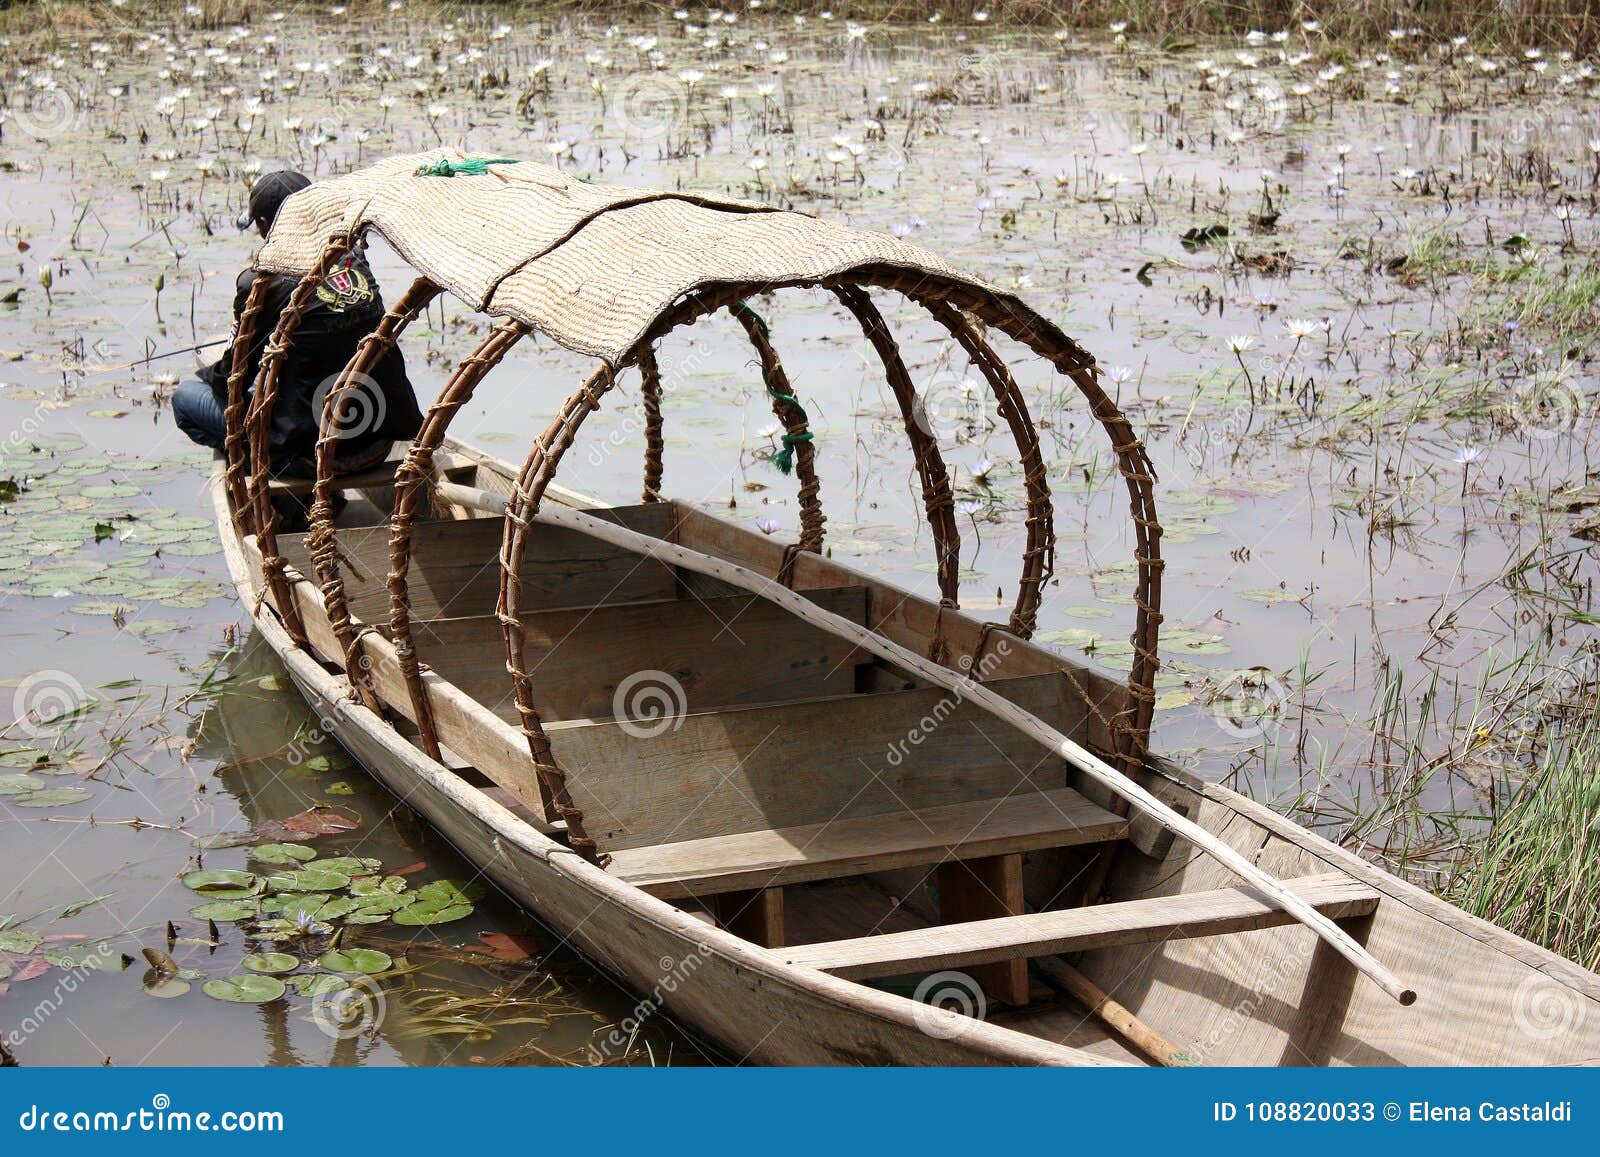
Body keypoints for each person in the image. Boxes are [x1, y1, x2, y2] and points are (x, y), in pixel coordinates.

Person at [172, 170, 423, 484]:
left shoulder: (260, 284)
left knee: (185, 398)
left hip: (314, 456)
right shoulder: (353, 258)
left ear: (264, 226)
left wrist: (211, 370)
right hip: (379, 444)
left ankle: (288, 495)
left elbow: (232, 381)